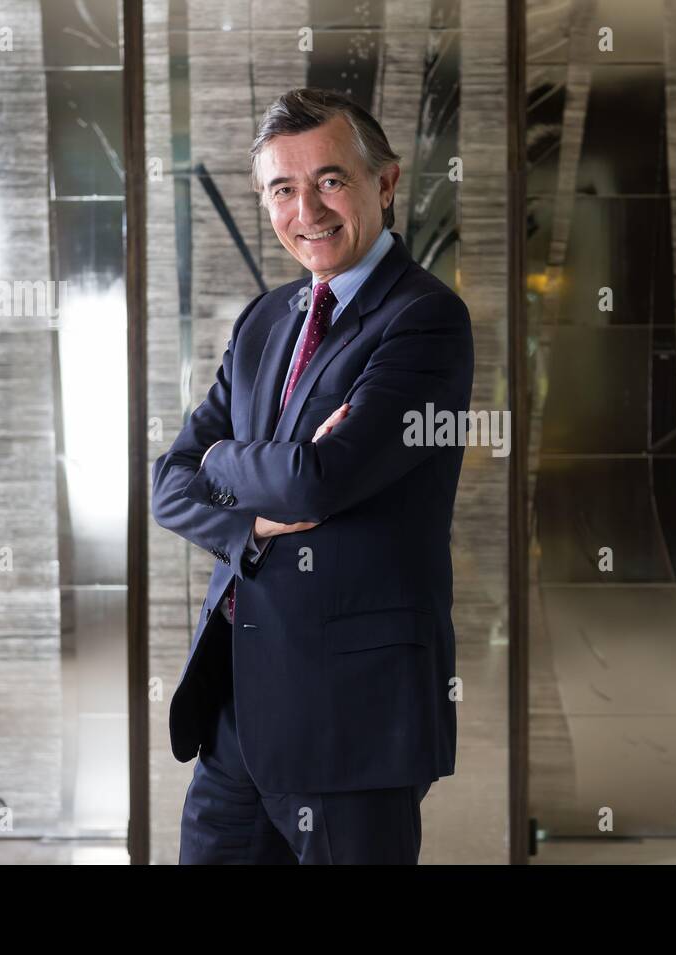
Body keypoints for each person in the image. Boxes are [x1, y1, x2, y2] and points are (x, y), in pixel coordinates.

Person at [150, 87, 474, 864]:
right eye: (282, 189)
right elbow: (168, 481)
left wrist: (227, 457)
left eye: (330, 180)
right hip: (235, 704)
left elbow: (319, 481)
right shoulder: (265, 321)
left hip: (350, 719)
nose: (308, 210)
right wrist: (250, 518)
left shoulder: (424, 319)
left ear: (385, 183)